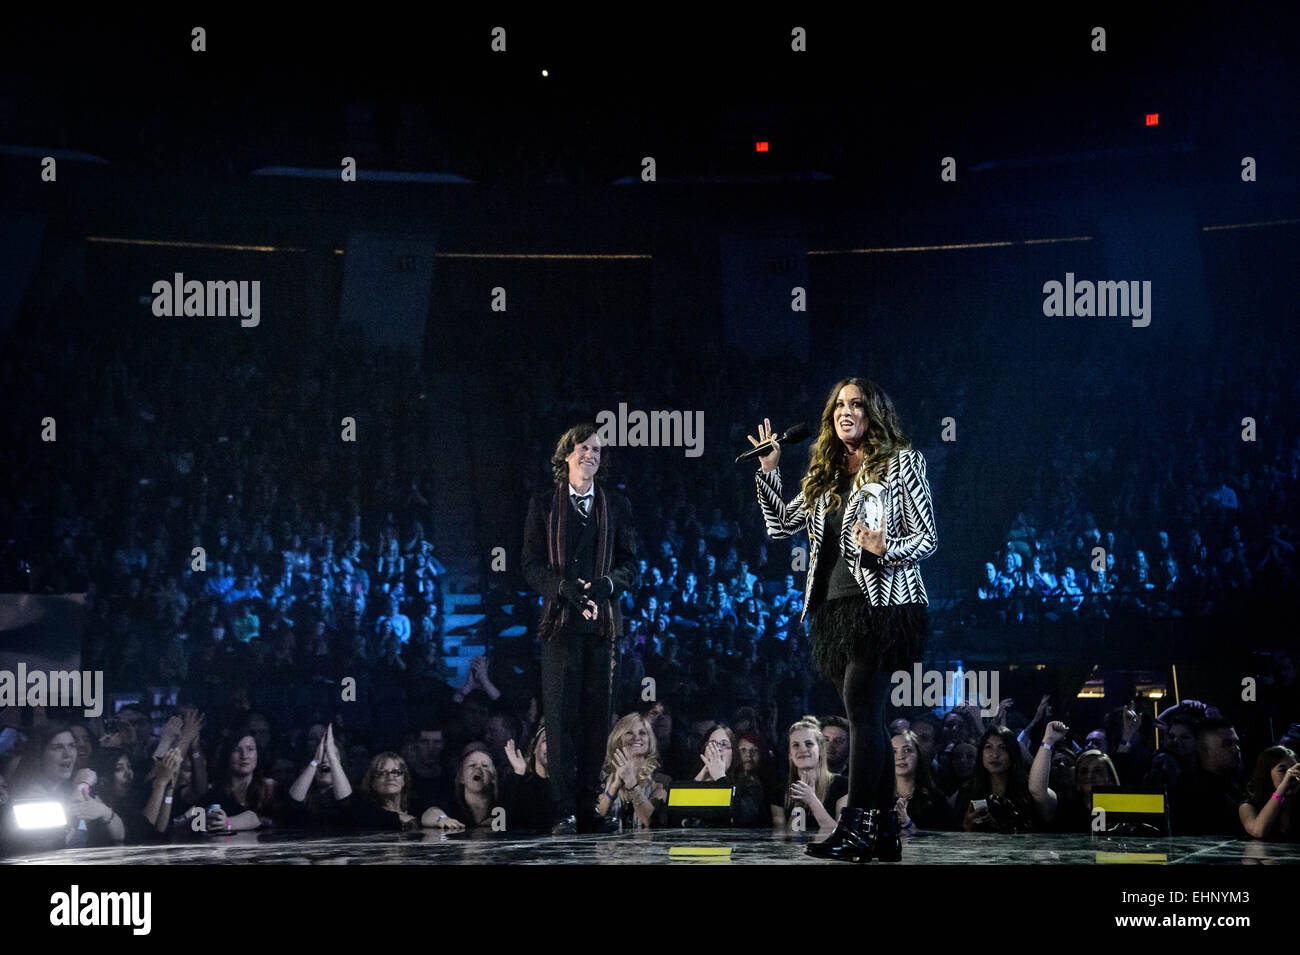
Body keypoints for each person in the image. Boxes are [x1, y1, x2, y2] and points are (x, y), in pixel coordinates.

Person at [751, 377, 937, 861]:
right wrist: (769, 470)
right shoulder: (827, 473)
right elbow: (779, 526)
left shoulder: (901, 464)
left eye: (856, 404)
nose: (845, 411)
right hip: (835, 610)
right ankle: (885, 835)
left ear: (874, 413)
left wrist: (886, 548)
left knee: (859, 704)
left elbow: (928, 538)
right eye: (838, 405)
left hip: (886, 603)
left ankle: (856, 826)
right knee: (866, 716)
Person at [523, 423, 639, 835]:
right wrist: (563, 589)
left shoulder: (617, 504)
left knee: (596, 719)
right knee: (560, 719)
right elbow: (530, 565)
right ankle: (564, 810)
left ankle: (590, 807)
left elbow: (631, 564)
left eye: (596, 449)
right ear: (566, 454)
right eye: (583, 448)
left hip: (604, 628)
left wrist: (608, 585)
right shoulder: (543, 504)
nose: (590, 454)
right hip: (560, 626)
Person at [595, 712, 670, 830]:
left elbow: (649, 820)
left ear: (650, 741)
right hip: (611, 846)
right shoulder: (605, 778)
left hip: (646, 846)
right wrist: (614, 786)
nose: (637, 738)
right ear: (618, 739)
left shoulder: (661, 780)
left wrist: (631, 783)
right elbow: (598, 815)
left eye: (642, 733)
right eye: (630, 733)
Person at [771, 716, 847, 832]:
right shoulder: (779, 792)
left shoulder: (843, 786)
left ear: (821, 749)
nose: (802, 750)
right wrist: (798, 806)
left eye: (809, 744)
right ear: (790, 754)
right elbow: (784, 841)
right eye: (796, 745)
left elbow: (839, 835)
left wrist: (812, 800)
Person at [683, 722, 765, 827]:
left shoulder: (749, 784)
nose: (718, 749)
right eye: (712, 744)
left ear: (733, 753)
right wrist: (697, 781)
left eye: (724, 744)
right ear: (704, 751)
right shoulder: (693, 780)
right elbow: (680, 818)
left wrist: (720, 778)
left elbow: (744, 817)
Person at [423, 747, 500, 831]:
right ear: (461, 778)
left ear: (493, 777)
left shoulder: (503, 805)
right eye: (472, 765)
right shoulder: (452, 805)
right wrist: (443, 819)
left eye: (485, 765)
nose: (478, 769)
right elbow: (429, 813)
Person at [500, 720, 557, 831]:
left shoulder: (568, 789)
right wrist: (518, 773)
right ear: (534, 748)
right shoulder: (519, 782)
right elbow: (500, 825)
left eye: (557, 743)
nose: (553, 747)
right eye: (546, 740)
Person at [1239, 746, 1300, 840]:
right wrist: (1281, 790)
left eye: (1294, 769)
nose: (1291, 775)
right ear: (1267, 774)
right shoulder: (1248, 807)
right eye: (1283, 770)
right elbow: (1258, 831)